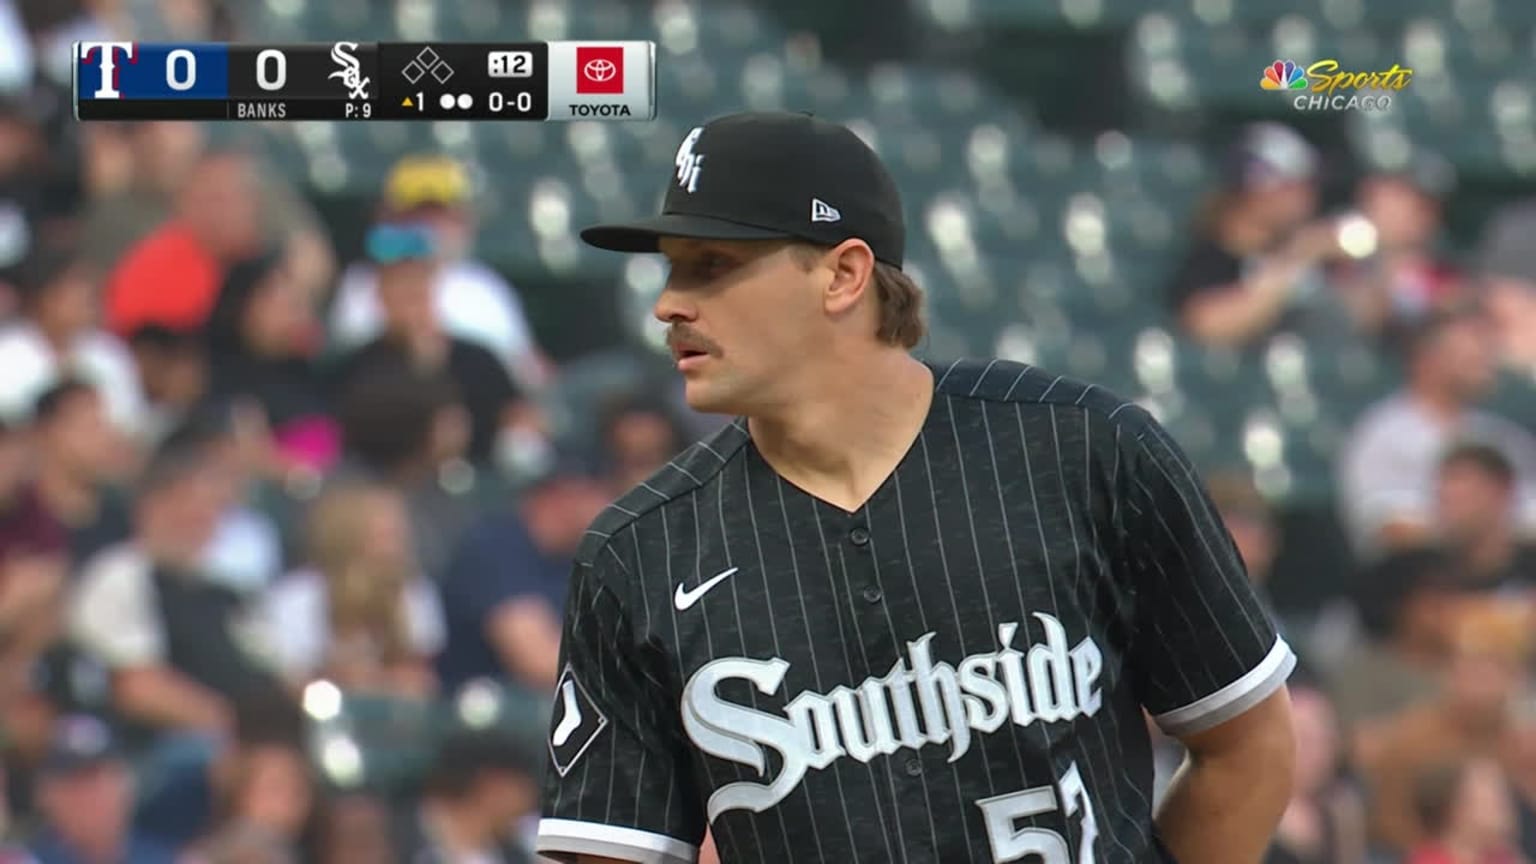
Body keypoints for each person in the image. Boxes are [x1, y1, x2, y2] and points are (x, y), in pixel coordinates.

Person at [535, 111, 1297, 864]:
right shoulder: (638, 552)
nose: (668, 302)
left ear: (842, 274)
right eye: (670, 267)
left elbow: (1248, 744)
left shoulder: (1086, 453)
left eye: (710, 265)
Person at [26, 714, 178, 864]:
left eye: (97, 781)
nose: (87, 798)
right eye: (73, 786)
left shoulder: (167, 857)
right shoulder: (25, 860)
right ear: (45, 796)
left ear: (127, 784)